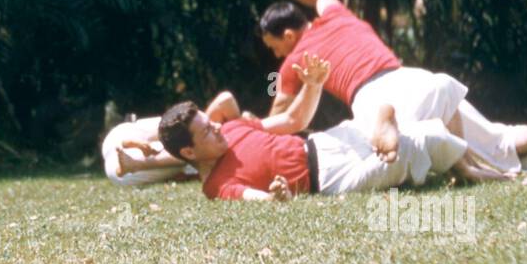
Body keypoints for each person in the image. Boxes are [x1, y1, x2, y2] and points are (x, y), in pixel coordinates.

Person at [253, 0, 527, 176]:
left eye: (274, 47)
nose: (275, 56)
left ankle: (413, 137)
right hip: (417, 80)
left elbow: (280, 119)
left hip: (373, 100)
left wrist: (246, 129)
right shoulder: (336, 15)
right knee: (494, 140)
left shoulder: (293, 62)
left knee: (389, 161)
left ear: (287, 35)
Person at [156, 53, 485, 200]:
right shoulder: (216, 184)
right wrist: (277, 196)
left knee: (418, 131)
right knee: (422, 140)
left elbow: (292, 121)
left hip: (325, 143)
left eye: (210, 122)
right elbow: (252, 198)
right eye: (206, 131)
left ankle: (387, 122)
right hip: (328, 178)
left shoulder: (233, 130)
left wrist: (312, 86)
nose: (216, 127)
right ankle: (469, 169)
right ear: (189, 151)